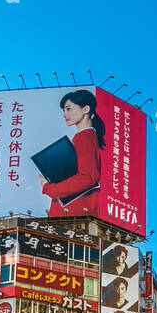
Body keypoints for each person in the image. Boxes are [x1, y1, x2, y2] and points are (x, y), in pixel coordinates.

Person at [41, 89, 104, 217]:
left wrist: (50, 188)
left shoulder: (85, 137)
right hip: (76, 212)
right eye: (64, 110)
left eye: (68, 109)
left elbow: (87, 177)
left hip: (73, 213)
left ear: (86, 109)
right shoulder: (85, 137)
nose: (64, 114)